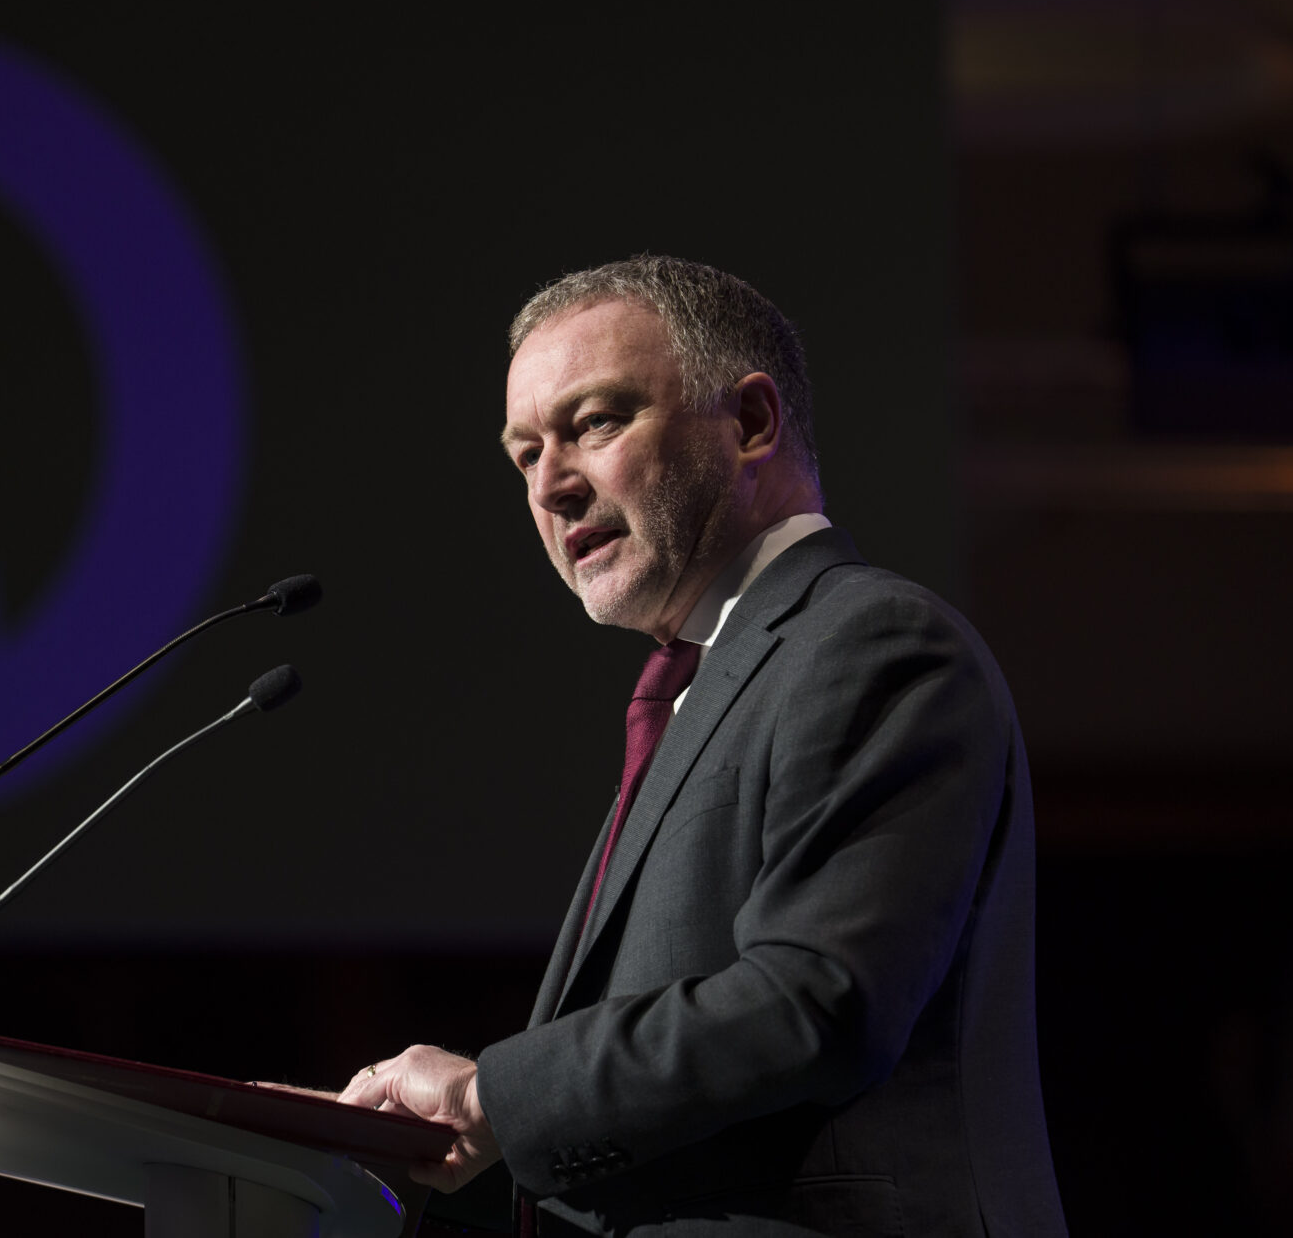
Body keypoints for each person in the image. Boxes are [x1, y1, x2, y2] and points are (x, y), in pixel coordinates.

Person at [337, 257, 1067, 1237]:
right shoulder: (705, 681)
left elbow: (817, 998)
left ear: (751, 424)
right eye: (522, 454)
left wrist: (492, 1097)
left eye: (594, 422)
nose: (549, 486)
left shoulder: (870, 641)